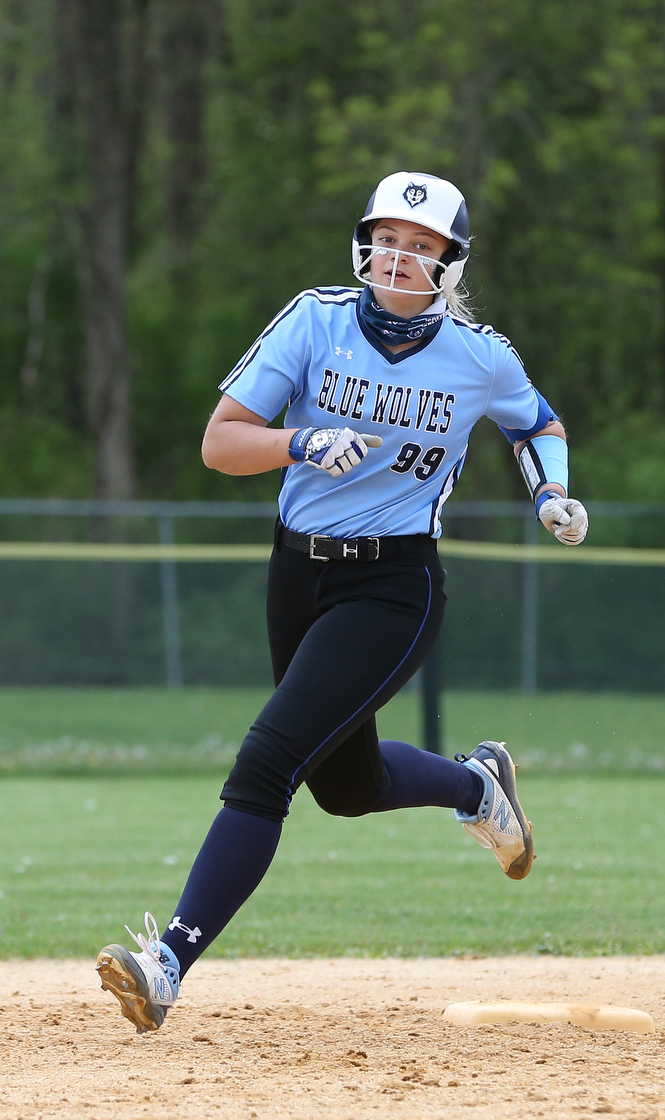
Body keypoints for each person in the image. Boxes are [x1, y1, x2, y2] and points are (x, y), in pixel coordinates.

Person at [96, 171, 589, 1032]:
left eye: (422, 244)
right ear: (364, 244)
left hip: (393, 585)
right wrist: (301, 440)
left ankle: (167, 962)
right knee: (346, 786)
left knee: (268, 760)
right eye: (386, 237)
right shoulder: (313, 320)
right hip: (297, 572)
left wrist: (551, 490)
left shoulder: (479, 356)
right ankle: (475, 787)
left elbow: (535, 423)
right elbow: (221, 444)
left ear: (452, 262)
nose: (399, 256)